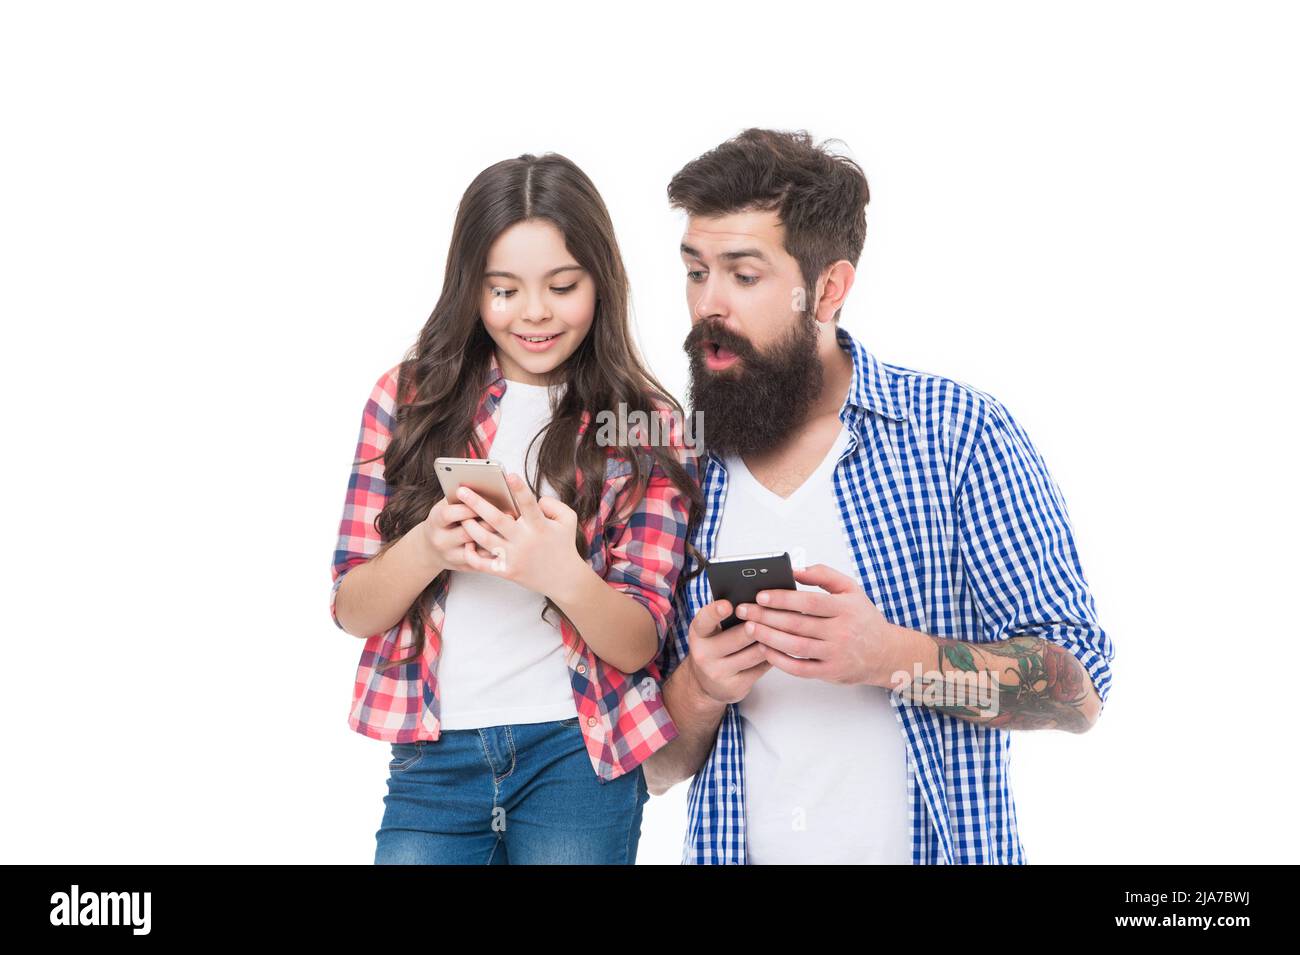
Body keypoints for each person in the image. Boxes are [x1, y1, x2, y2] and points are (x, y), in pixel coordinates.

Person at [643, 128, 1115, 864]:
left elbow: (1077, 693)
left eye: (743, 275)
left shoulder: (958, 434)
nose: (709, 304)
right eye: (696, 271)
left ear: (827, 288)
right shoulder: (676, 462)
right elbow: (655, 767)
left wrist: (889, 654)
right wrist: (702, 684)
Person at [329, 152, 703, 864]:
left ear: (601, 281)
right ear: (470, 289)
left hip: (579, 751)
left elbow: (638, 642)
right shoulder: (407, 398)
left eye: (562, 286)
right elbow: (353, 609)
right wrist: (427, 547)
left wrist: (559, 572)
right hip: (434, 759)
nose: (534, 312)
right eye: (503, 289)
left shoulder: (645, 423)